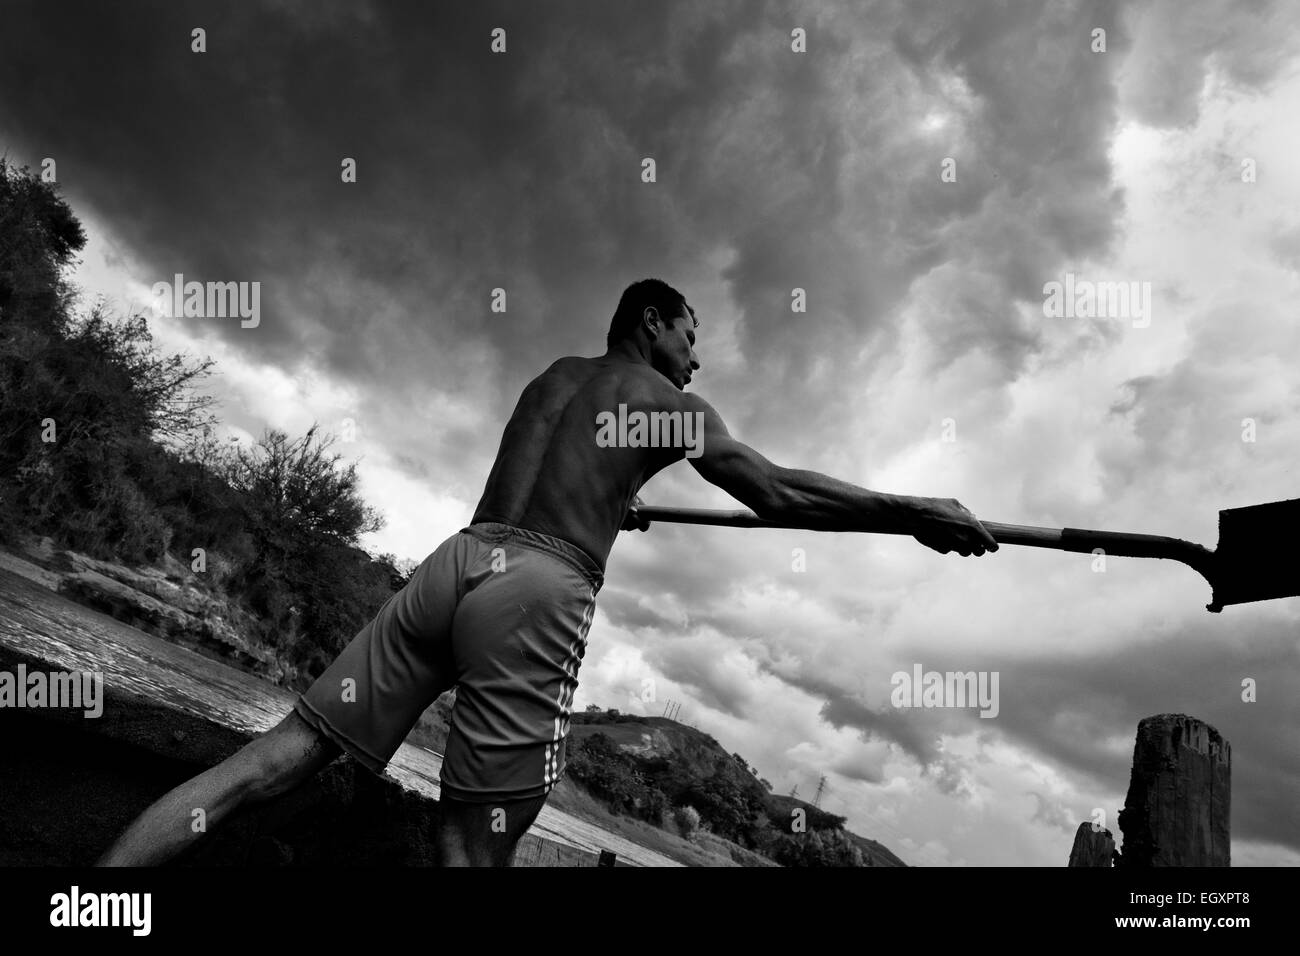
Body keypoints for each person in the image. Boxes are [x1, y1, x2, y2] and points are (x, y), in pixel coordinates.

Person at [98, 278, 997, 867]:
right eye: (692, 335)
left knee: (276, 758)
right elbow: (774, 492)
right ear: (652, 321)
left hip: (458, 562)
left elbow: (567, 476)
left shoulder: (553, 379)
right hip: (538, 588)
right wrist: (911, 512)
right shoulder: (664, 405)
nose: (698, 357)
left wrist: (614, 500)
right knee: (471, 847)